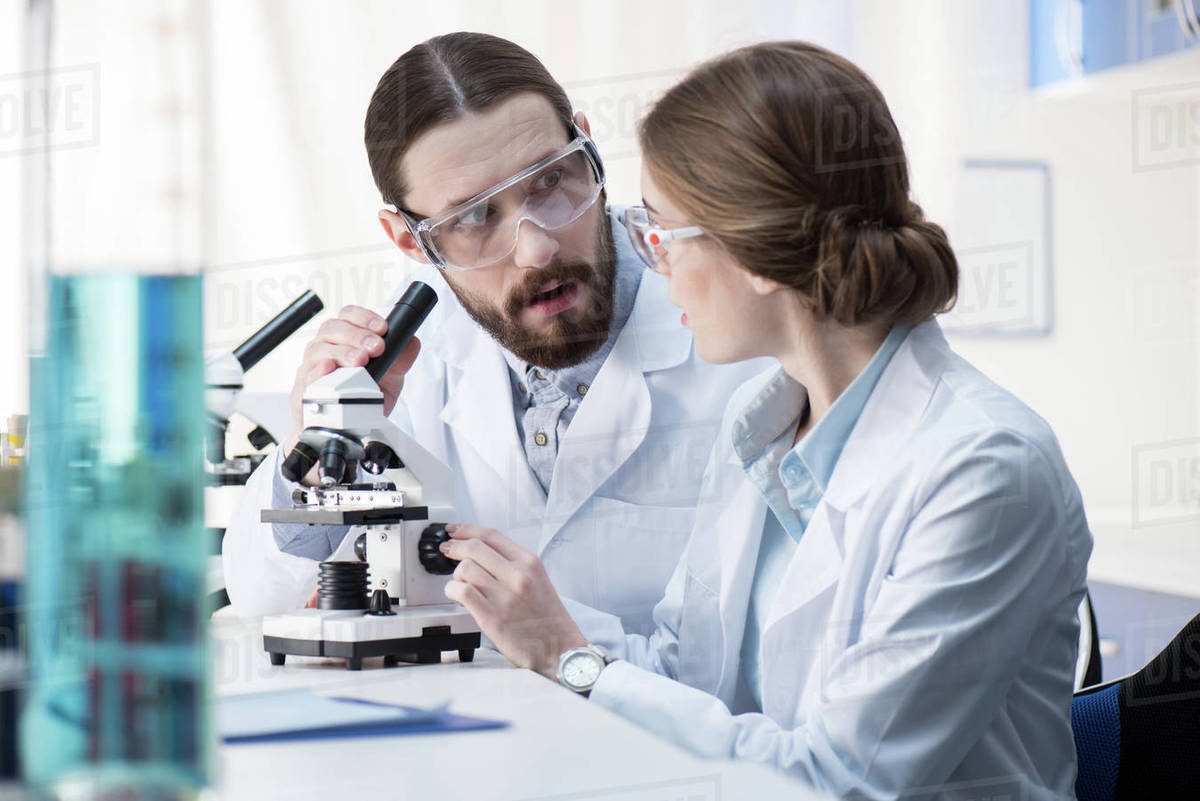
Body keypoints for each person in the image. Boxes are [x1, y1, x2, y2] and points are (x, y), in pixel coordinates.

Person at [438, 41, 1093, 800]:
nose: (652, 265)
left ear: (755, 253)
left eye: (660, 234)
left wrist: (572, 660)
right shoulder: (766, 429)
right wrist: (534, 618)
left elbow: (839, 781)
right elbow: (689, 673)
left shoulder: (985, 469)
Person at [222, 32, 764, 634]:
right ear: (409, 240)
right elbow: (258, 593)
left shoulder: (738, 329)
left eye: (552, 181)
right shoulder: (394, 372)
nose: (536, 248)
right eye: (475, 217)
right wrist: (319, 448)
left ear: (587, 146)